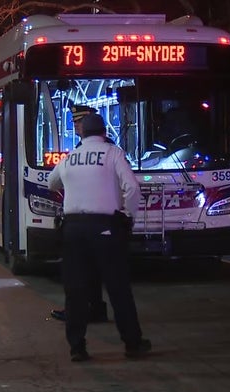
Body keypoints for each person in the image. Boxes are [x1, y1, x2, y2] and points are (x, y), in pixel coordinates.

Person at [48, 113, 152, 362]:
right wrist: (129, 216)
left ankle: (77, 347)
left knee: (75, 290)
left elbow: (52, 183)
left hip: (73, 229)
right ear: (104, 132)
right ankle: (132, 343)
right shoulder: (113, 153)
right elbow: (132, 188)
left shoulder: (70, 157)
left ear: (81, 133)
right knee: (118, 288)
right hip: (105, 227)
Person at [50, 104, 109, 323]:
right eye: (74, 123)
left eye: (78, 123)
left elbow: (53, 182)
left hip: (88, 220)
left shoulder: (86, 152)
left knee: (79, 271)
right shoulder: (104, 149)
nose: (75, 127)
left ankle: (80, 312)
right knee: (92, 271)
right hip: (101, 221)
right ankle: (94, 308)